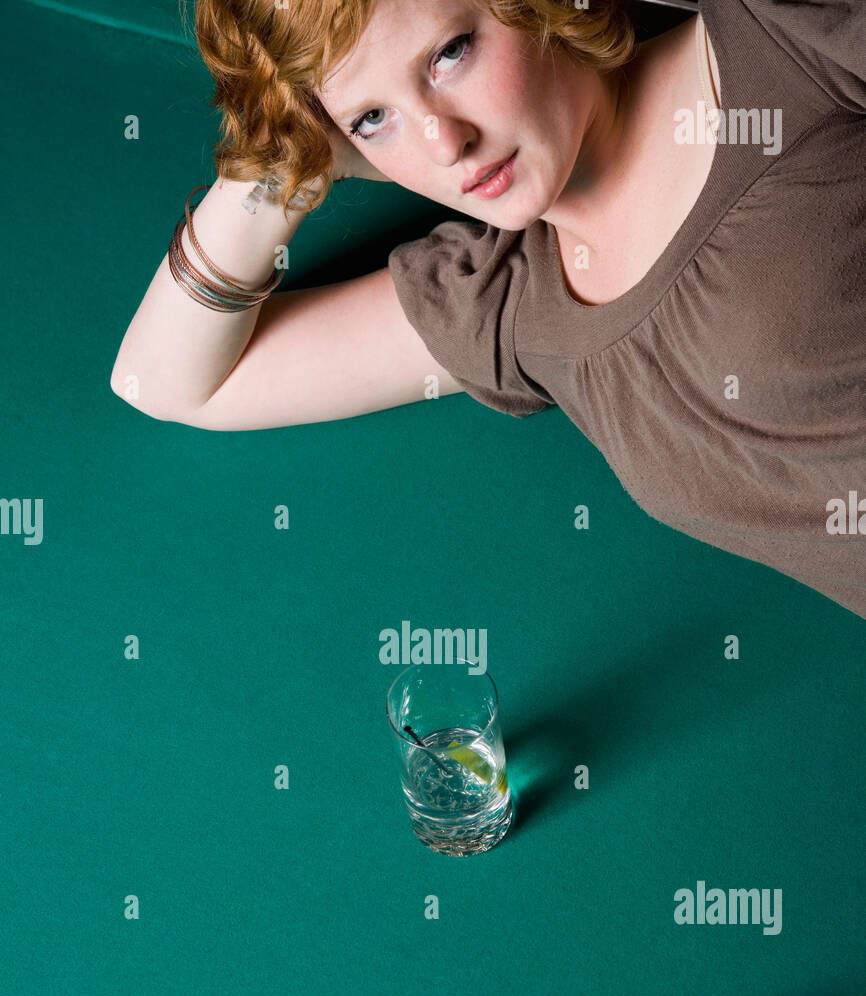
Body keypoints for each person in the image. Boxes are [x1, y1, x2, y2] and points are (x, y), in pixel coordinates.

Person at [110, 0, 866, 619]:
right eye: (372, 118)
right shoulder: (512, 299)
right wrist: (282, 163)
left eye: (450, 54)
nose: (444, 143)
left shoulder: (785, 44)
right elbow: (170, 383)